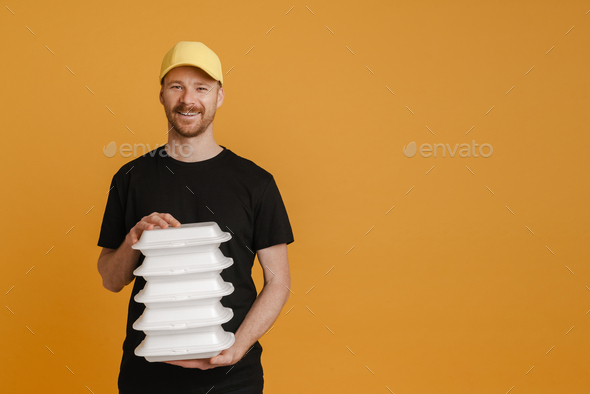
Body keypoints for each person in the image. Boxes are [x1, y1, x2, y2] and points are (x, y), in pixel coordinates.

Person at [97, 41, 294, 394]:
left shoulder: (256, 183)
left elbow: (278, 281)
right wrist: (133, 239)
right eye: (177, 86)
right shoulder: (130, 178)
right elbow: (111, 280)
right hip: (148, 376)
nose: (189, 99)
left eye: (201, 87)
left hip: (234, 378)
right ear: (162, 96)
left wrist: (237, 348)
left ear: (219, 96)